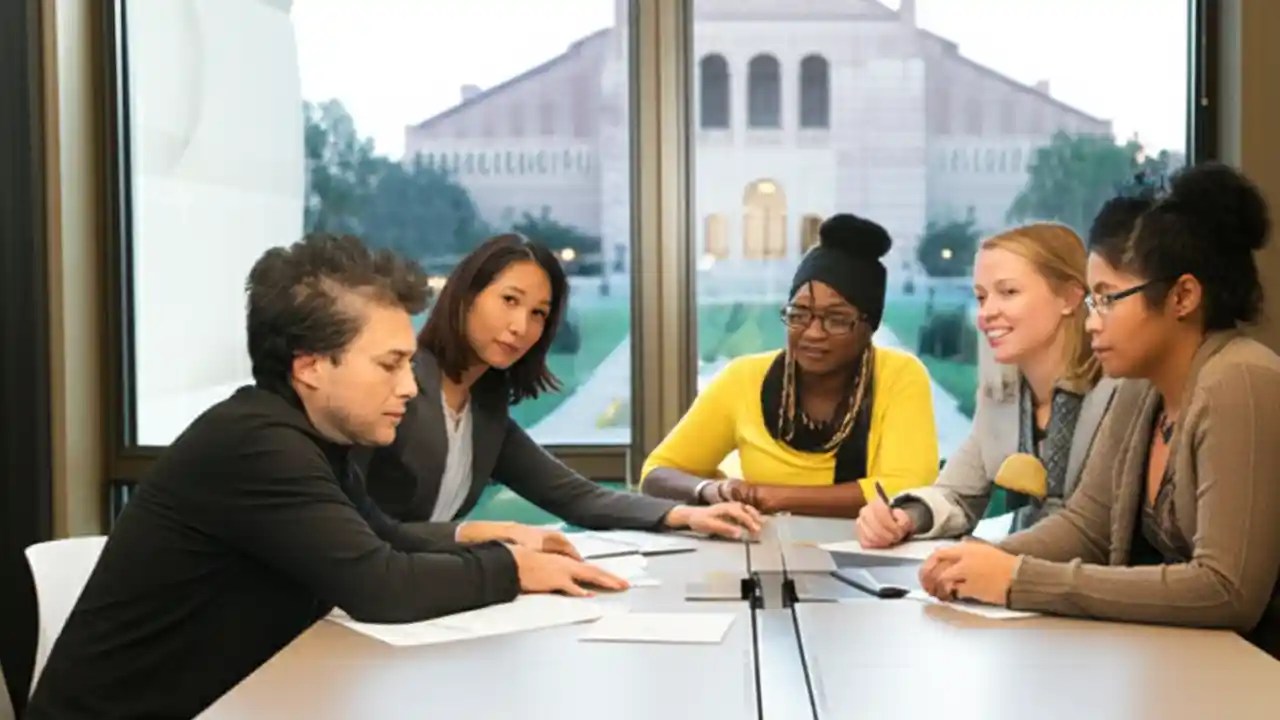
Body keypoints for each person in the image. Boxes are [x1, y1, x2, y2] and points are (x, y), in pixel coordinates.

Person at [26, 234, 627, 719]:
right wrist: (513, 568)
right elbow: (381, 587)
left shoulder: (315, 439)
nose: (411, 386)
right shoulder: (257, 446)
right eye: (390, 365)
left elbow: (383, 538)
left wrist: (497, 549)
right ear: (311, 367)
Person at [919, 163, 1280, 659]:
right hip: (1192, 667)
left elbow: (1225, 590)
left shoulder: (1239, 379)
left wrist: (1018, 580)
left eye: (1107, 299)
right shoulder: (1141, 388)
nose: (1091, 322)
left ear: (1183, 296)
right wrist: (979, 561)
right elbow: (1087, 526)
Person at [359, 233, 763, 549]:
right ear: (465, 297)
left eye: (538, 313)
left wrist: (682, 515)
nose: (521, 326)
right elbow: (362, 530)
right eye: (509, 300)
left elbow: (575, 496)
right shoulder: (399, 387)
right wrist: (476, 533)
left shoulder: (484, 407)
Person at [640, 213, 938, 517]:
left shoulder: (899, 375)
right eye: (799, 314)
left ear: (869, 326)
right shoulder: (743, 378)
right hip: (758, 545)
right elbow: (656, 474)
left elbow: (907, 487)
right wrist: (713, 490)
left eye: (836, 319)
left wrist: (774, 497)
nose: (812, 332)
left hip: (869, 551)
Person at [857, 223, 1118, 546]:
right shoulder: (1001, 399)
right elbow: (956, 495)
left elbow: (1092, 527)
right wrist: (904, 518)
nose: (986, 314)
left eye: (1008, 292)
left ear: (1069, 297)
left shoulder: (1117, 395)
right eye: (981, 297)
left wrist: (994, 559)